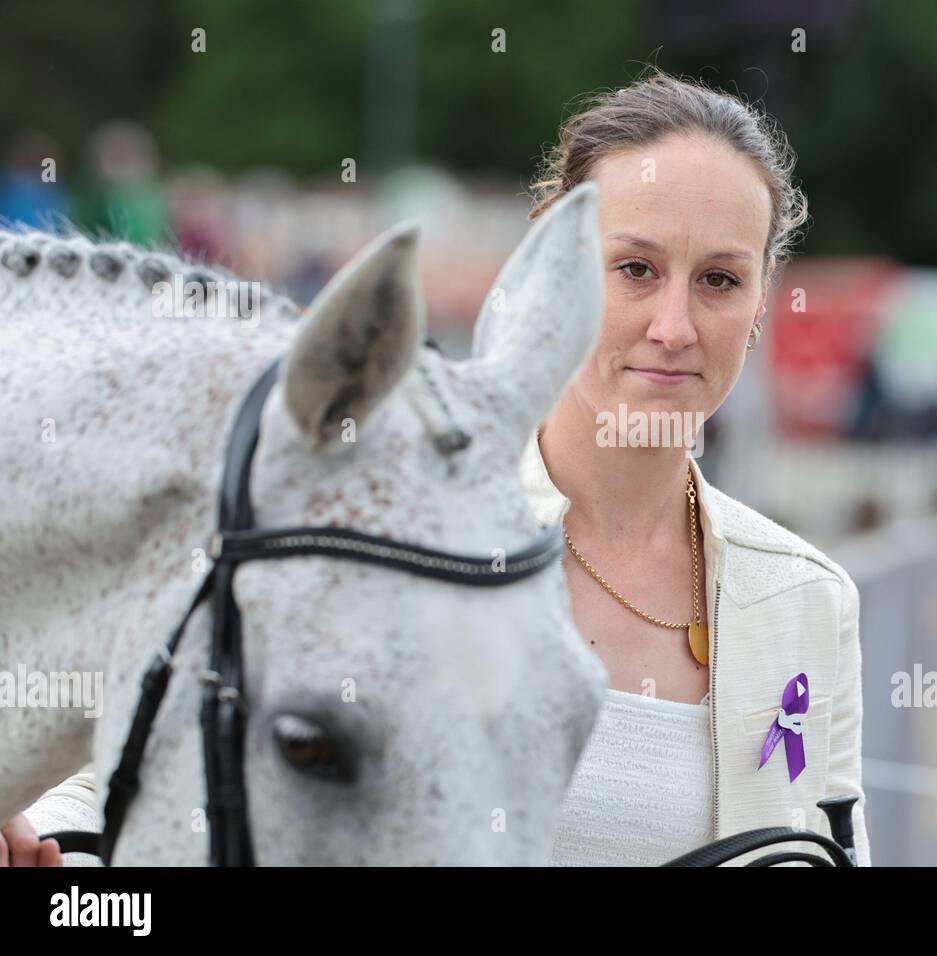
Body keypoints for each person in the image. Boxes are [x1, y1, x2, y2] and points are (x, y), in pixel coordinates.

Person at [7, 67, 870, 867]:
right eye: (635, 269)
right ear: (555, 277)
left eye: (720, 280)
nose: (674, 326)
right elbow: (181, 720)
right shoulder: (400, 523)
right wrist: (49, 842)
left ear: (761, 303)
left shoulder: (805, 599)